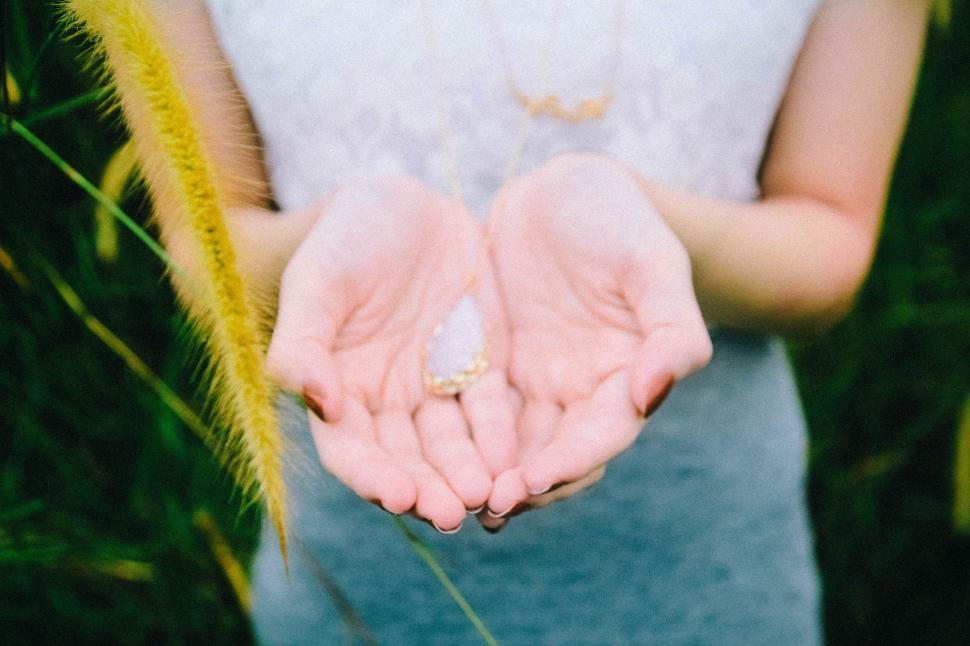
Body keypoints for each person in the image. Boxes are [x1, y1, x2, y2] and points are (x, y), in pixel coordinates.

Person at [134, 1, 929, 643]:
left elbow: (830, 237)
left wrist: (647, 225)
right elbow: (203, 245)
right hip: (352, 583)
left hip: (703, 575)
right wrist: (335, 240)